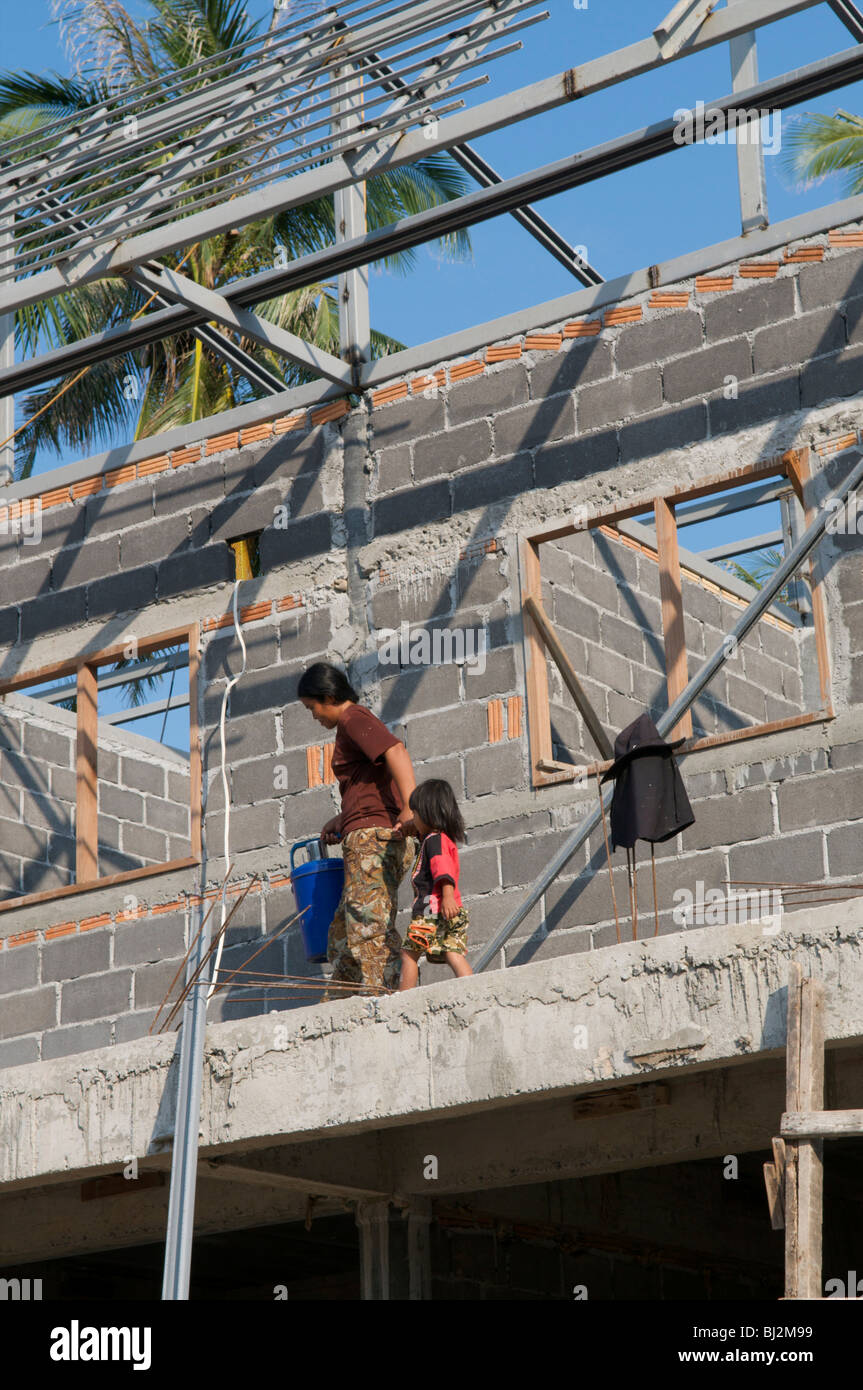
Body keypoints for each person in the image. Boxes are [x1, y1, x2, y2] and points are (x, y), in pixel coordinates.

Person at [298, 661, 418, 994]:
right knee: (343, 936)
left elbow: (396, 750)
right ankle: (343, 1007)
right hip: (364, 833)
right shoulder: (348, 727)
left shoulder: (353, 718)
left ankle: (388, 1000)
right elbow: (369, 784)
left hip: (374, 840)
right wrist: (344, 818)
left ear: (327, 696)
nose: (314, 716)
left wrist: (410, 805)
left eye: (312, 707)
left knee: (368, 926)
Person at [398, 778, 473, 991]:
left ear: (428, 814)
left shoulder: (434, 841)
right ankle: (471, 988)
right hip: (450, 909)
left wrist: (446, 896)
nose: (413, 818)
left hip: (431, 908)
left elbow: (443, 870)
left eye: (416, 813)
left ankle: (402, 998)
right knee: (452, 951)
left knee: (409, 952)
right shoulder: (442, 838)